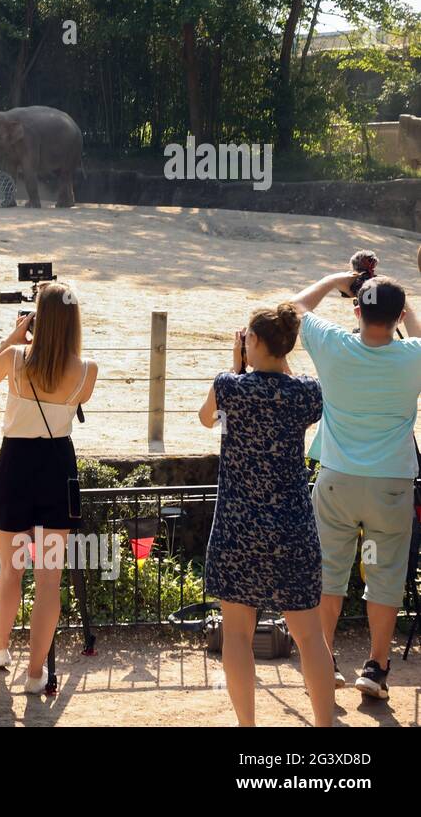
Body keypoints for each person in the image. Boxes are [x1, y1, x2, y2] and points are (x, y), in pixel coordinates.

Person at [197, 304, 334, 726]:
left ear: (251, 341)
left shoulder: (229, 388)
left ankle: (247, 727)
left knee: (236, 634)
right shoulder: (306, 393)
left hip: (238, 527)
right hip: (292, 526)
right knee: (310, 636)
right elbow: (292, 387)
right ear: (287, 345)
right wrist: (275, 356)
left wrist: (235, 366)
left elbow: (206, 419)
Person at [290, 271, 421, 700]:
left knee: (329, 573)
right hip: (390, 486)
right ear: (398, 315)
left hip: (336, 481)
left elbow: (294, 308)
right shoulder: (411, 356)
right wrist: (406, 308)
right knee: (383, 576)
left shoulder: (334, 346)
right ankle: (376, 666)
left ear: (357, 310)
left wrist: (334, 278)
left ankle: (323, 661)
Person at [0, 283, 97, 693]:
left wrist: (11, 337)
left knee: (11, 570)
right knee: (49, 579)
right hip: (57, 468)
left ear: (37, 318)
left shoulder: (15, 358)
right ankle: (37, 671)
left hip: (16, 466)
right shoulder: (86, 370)